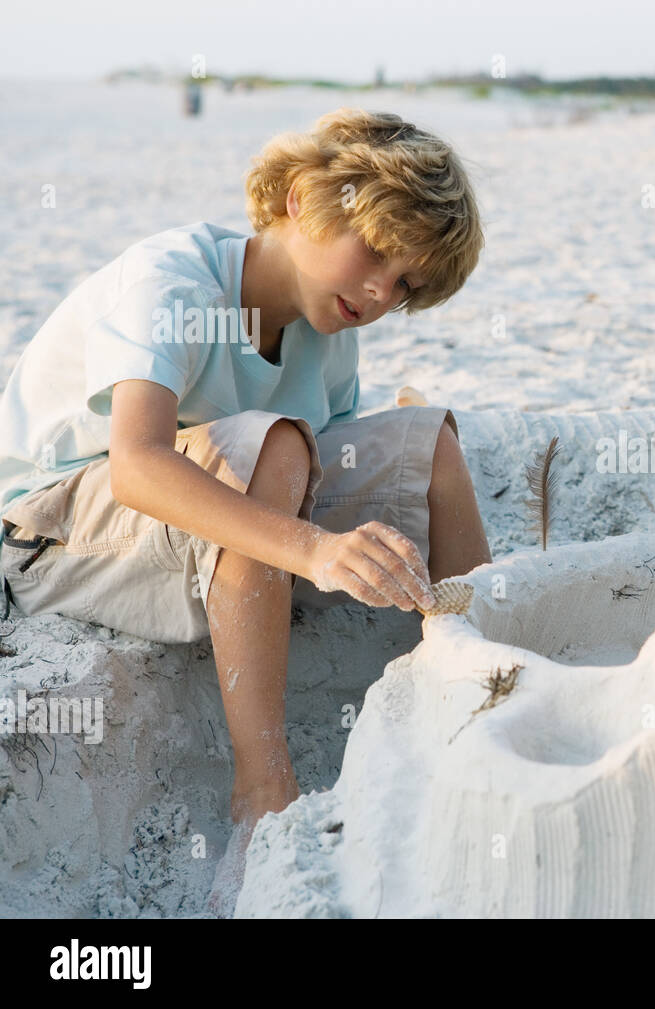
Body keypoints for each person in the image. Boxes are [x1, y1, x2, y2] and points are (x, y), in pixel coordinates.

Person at [0, 108, 493, 914]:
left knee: (429, 441)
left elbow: (324, 475)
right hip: (50, 533)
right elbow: (136, 465)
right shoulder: (174, 281)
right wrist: (313, 550)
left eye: (404, 281)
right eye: (373, 250)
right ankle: (261, 791)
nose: (377, 290)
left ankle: (481, 687)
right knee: (278, 446)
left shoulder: (333, 334)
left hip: (198, 521)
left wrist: (322, 533)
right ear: (302, 198)